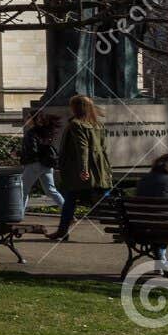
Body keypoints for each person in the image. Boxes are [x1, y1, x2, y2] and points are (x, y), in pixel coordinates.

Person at [48, 94, 113, 241]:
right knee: (105, 199)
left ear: (76, 108)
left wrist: (83, 169)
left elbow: (82, 148)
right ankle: (123, 229)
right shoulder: (98, 124)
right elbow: (103, 148)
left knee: (70, 199)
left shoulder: (76, 124)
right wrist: (107, 170)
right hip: (99, 168)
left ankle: (62, 231)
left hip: (80, 170)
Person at [19, 113, 65, 210]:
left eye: (28, 117)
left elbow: (32, 151)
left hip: (34, 165)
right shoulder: (46, 131)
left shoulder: (31, 133)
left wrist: (18, 154)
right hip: (47, 165)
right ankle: (68, 214)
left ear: (33, 119)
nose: (25, 119)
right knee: (51, 191)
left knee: (22, 190)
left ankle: (19, 214)